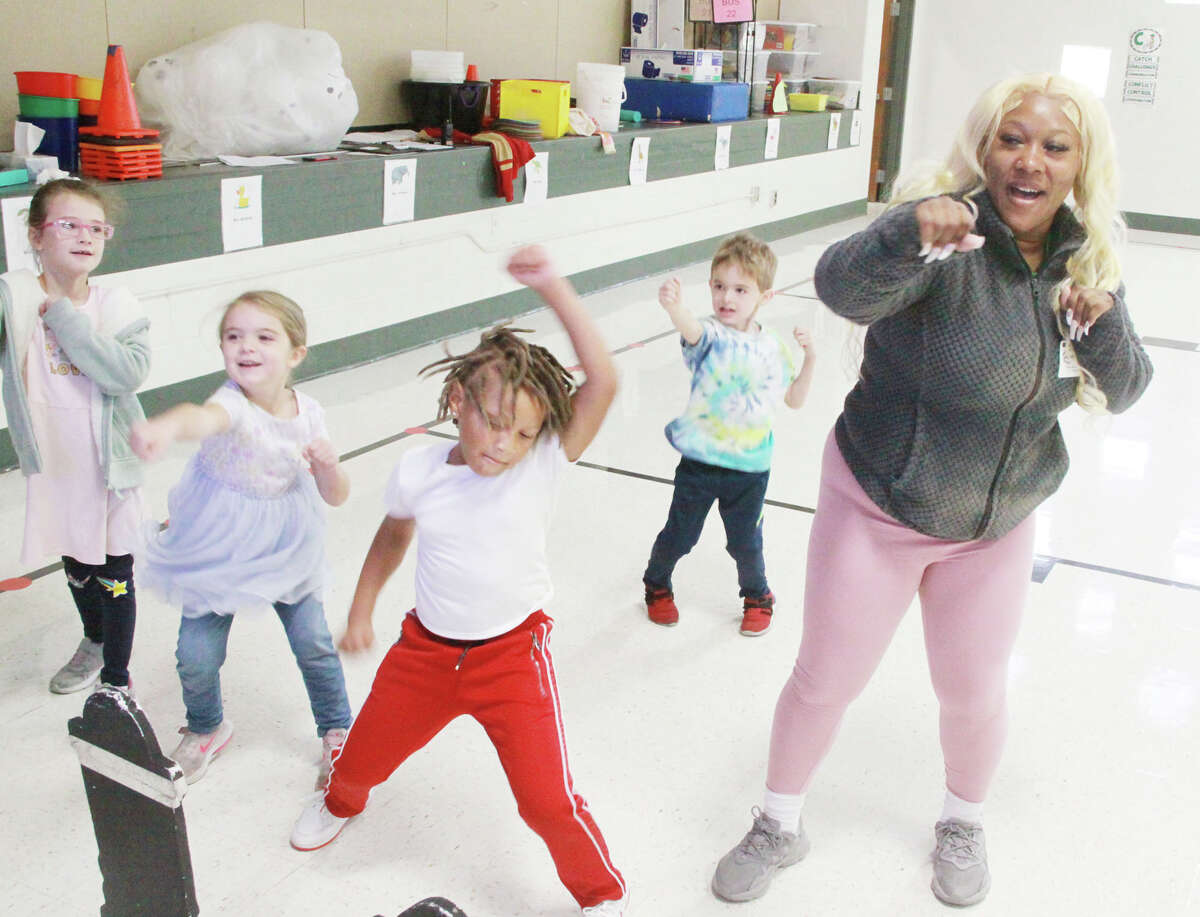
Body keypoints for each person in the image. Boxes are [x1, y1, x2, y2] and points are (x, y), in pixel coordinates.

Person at [712, 73, 1153, 908]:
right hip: (879, 503)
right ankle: (777, 821)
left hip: (995, 523)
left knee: (974, 691)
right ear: (985, 147)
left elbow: (1127, 388)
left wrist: (1104, 325)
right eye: (1011, 139)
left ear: (1079, 164)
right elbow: (841, 288)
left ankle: (962, 820)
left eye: (1054, 146)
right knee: (826, 678)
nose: (1029, 161)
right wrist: (906, 233)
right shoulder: (946, 231)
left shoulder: (1086, 262)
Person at [288, 246, 628, 917]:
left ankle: (601, 892)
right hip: (425, 654)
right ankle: (339, 802)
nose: (505, 443)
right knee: (361, 759)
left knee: (546, 801)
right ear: (456, 399)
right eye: (495, 422)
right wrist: (362, 608)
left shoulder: (542, 462)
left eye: (522, 432)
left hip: (513, 657)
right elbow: (392, 536)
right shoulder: (419, 471)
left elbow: (605, 380)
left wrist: (553, 286)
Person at [131, 290, 353, 787]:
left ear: (296, 353)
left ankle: (337, 728)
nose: (246, 346)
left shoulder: (309, 414)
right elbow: (199, 418)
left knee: (313, 642)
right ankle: (206, 726)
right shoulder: (229, 402)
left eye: (264, 337)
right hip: (220, 543)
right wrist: (165, 426)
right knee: (196, 655)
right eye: (234, 336)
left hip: (284, 544)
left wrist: (328, 467)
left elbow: (336, 495)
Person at [0, 178, 149, 694]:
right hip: (56, 467)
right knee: (76, 563)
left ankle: (116, 679)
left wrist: (63, 317)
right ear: (36, 236)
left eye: (97, 228)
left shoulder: (116, 305)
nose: (86, 237)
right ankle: (94, 640)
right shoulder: (16, 297)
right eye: (69, 225)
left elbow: (125, 374)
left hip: (109, 469)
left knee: (114, 570)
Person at [641, 232, 816, 635]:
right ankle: (656, 583)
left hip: (750, 470)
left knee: (745, 543)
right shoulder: (711, 336)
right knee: (680, 535)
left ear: (765, 296)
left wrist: (811, 358)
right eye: (719, 286)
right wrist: (675, 308)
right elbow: (692, 330)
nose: (726, 297)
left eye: (740, 289)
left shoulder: (773, 347)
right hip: (700, 464)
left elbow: (794, 399)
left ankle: (758, 596)